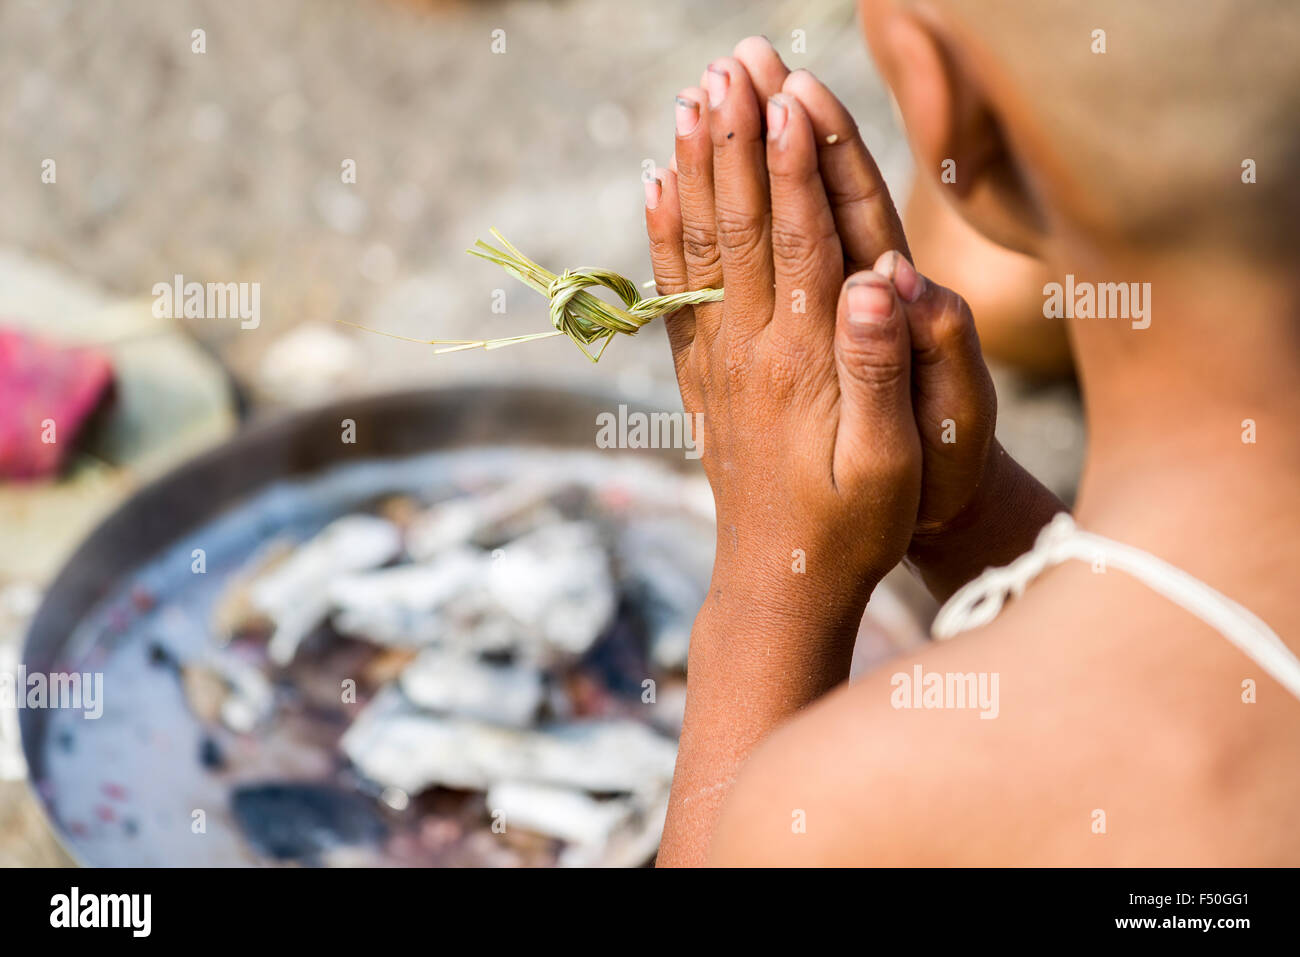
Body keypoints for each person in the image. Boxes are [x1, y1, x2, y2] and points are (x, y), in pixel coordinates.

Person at [641, 3, 1300, 865]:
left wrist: (773, 582)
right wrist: (973, 518)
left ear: (943, 97)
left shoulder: (865, 810)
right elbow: (1196, 665)